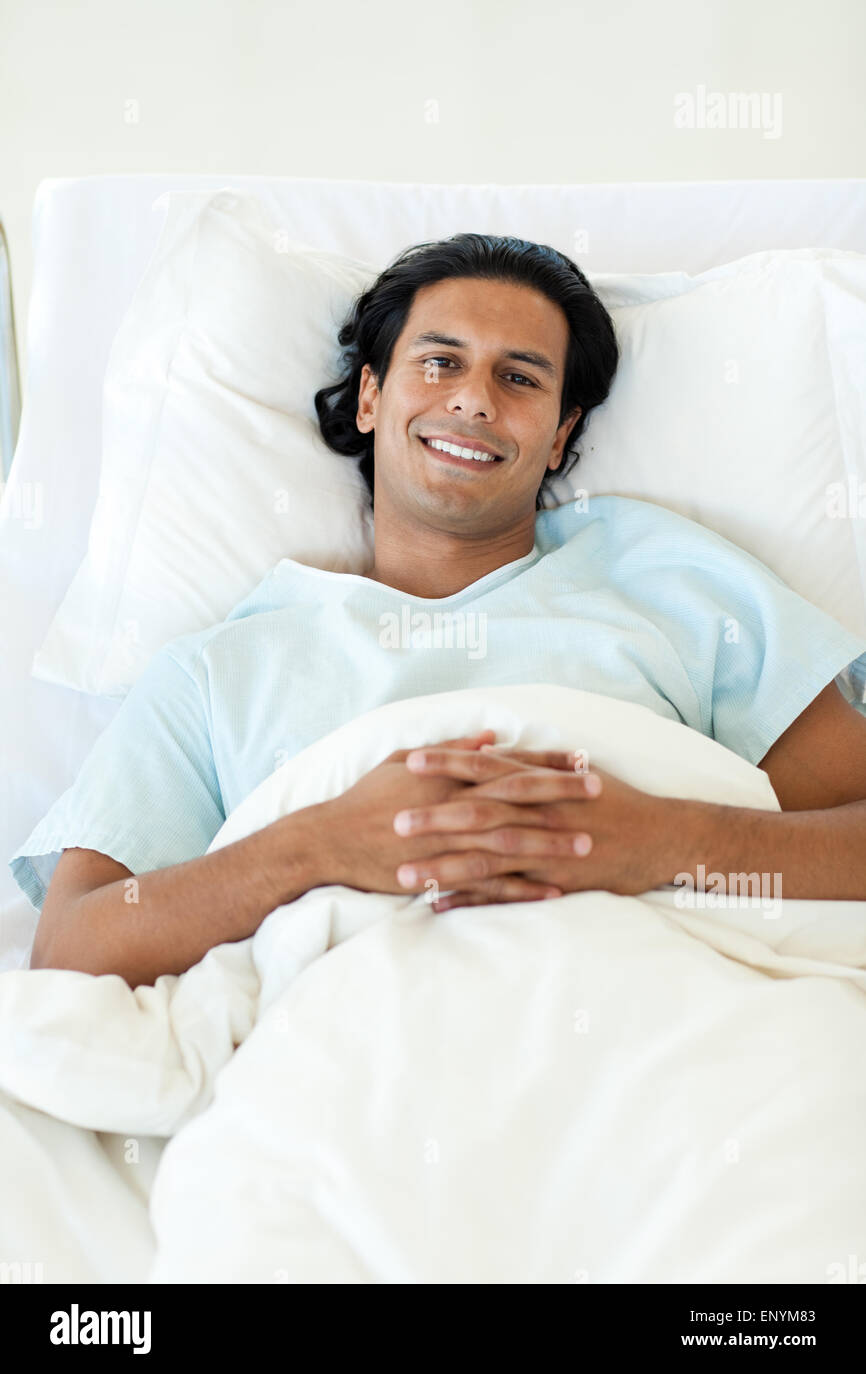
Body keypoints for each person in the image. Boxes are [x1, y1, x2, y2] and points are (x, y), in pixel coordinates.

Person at [10, 234, 866, 990]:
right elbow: (76, 944)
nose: (474, 399)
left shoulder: (675, 587)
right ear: (372, 397)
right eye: (440, 361)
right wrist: (316, 849)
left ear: (562, 435)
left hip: (664, 1021)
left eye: (520, 377)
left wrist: (664, 841)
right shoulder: (220, 670)